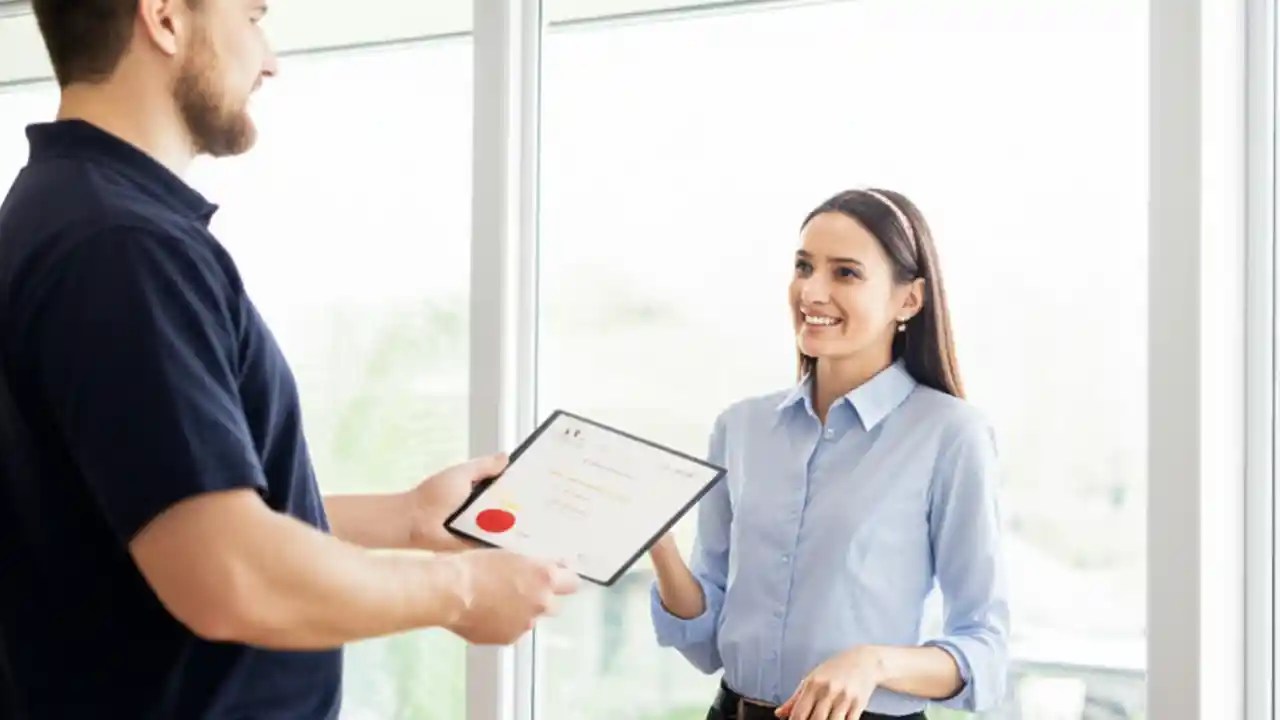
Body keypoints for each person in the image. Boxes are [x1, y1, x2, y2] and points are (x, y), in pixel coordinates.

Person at [0, 1, 578, 717]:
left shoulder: (64, 217)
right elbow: (227, 571)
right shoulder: (124, 249)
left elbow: (159, 520)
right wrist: (460, 594)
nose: (269, 58)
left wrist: (403, 519)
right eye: (252, 17)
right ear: (165, 19)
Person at [648, 188, 1009, 720]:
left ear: (909, 300)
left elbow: (985, 646)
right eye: (803, 266)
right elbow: (705, 643)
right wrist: (656, 542)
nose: (812, 291)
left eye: (845, 273)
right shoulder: (741, 428)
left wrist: (873, 665)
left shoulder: (951, 435)